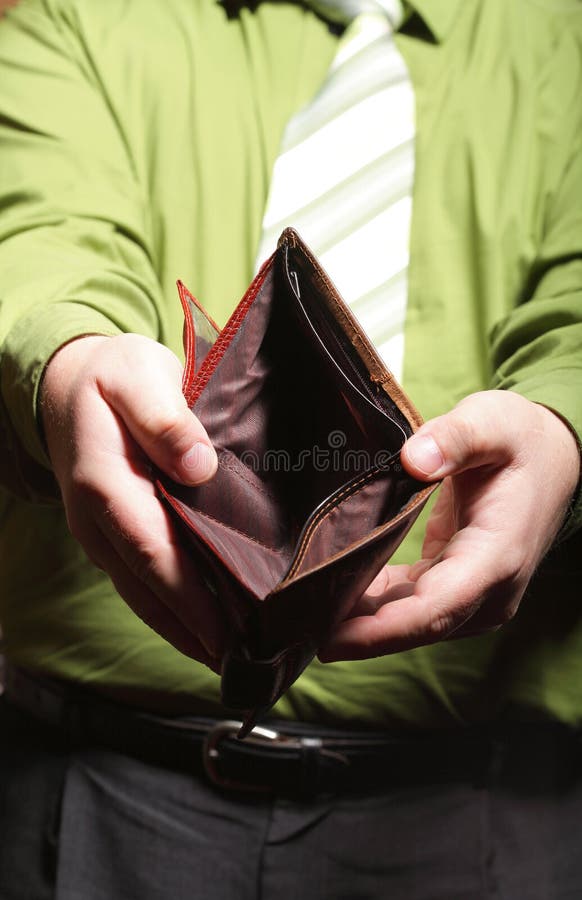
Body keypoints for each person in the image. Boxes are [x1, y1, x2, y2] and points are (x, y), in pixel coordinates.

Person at [0, 0, 581, 897]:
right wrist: (70, 363)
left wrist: (563, 424)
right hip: (96, 790)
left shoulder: (564, 39)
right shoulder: (76, 17)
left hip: (484, 809)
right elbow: (41, 239)